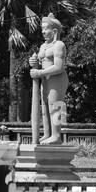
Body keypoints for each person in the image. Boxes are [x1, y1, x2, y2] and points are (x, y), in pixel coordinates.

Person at [29, 14, 69, 144]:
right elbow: (39, 64)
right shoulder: (43, 46)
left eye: (46, 29)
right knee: (45, 107)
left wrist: (39, 72)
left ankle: (57, 135)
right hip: (45, 79)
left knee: (56, 106)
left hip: (58, 79)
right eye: (42, 29)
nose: (43, 32)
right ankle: (47, 134)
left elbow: (59, 67)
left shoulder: (59, 45)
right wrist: (33, 62)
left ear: (55, 31)